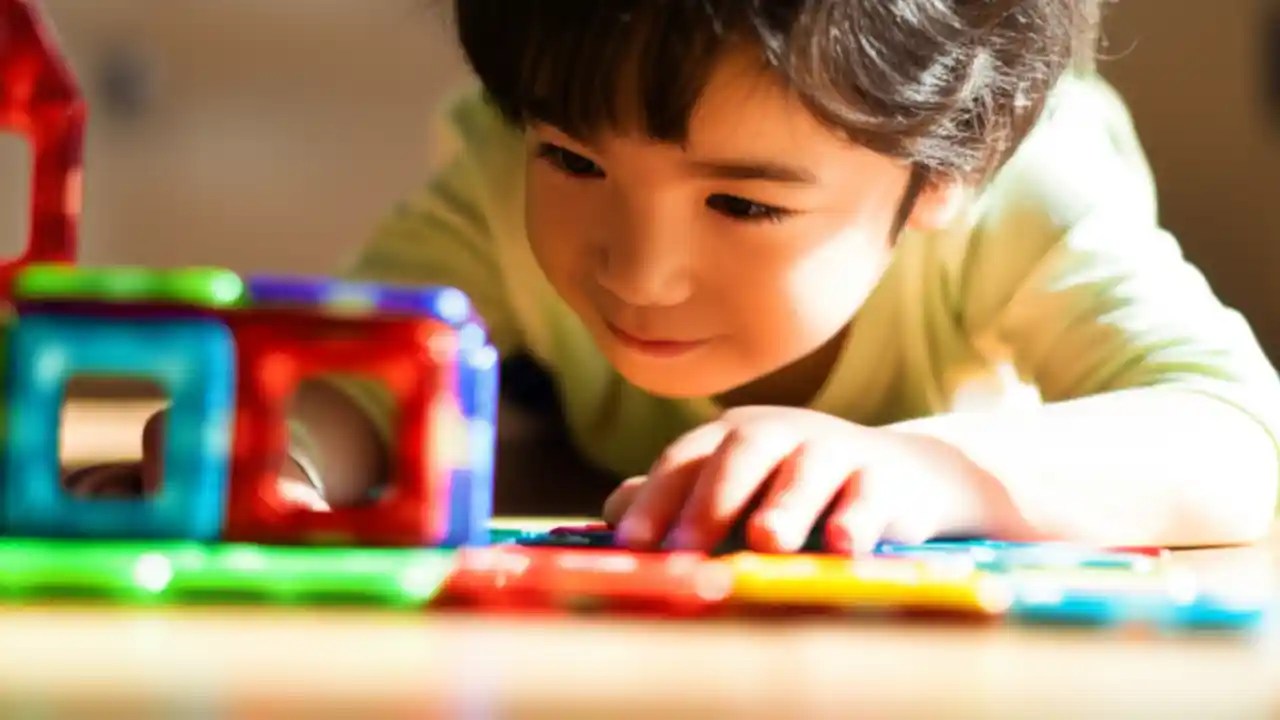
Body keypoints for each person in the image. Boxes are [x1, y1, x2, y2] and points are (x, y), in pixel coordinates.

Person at [70, 0, 1280, 553]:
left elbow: (1237, 439)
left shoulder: (1023, 192)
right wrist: (268, 460)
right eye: (573, 159)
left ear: (939, 172)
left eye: (743, 202)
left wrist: (925, 471)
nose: (636, 269)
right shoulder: (498, 177)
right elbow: (360, 384)